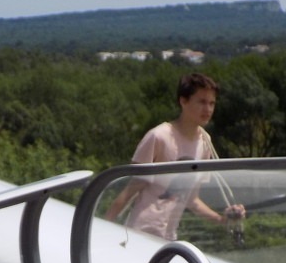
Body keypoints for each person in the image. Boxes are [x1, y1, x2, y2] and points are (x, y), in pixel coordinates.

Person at [103, 73, 245, 240]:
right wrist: (102, 231)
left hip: (169, 238)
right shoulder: (159, 137)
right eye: (201, 102)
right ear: (183, 101)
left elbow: (192, 200)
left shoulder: (205, 142)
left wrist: (224, 219)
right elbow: (129, 191)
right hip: (140, 234)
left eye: (212, 103)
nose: (208, 109)